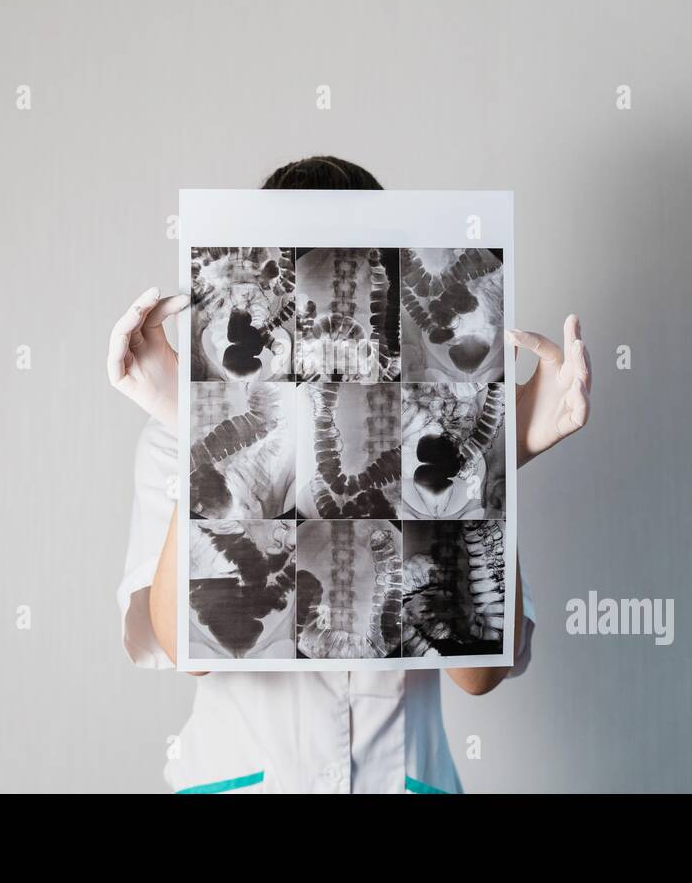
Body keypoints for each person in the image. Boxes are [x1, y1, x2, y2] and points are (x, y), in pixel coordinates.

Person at [109, 156, 592, 793]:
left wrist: (497, 454)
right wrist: (191, 424)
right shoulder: (174, 436)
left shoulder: (435, 425)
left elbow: (476, 674)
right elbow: (185, 647)